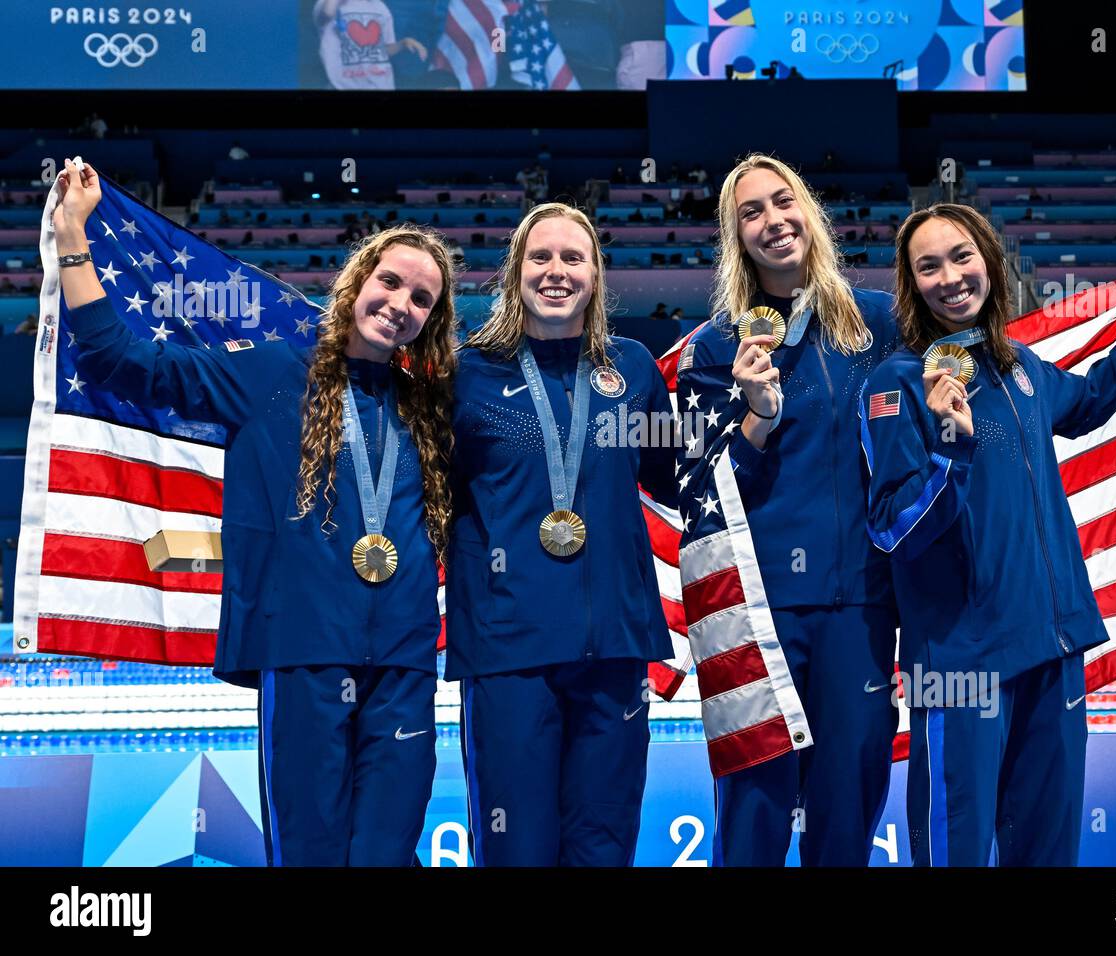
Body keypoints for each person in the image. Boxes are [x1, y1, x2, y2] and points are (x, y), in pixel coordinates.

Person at [51, 159, 457, 866]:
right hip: (302, 653)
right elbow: (122, 362)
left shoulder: (432, 407)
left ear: (432, 320)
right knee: (310, 854)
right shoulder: (270, 372)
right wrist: (71, 238)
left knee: (387, 852)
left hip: (404, 661)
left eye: (422, 298)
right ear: (357, 281)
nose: (401, 304)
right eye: (390, 281)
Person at [860, 202, 1116, 866]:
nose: (950, 277)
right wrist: (951, 451)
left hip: (1052, 647)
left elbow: (1091, 399)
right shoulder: (897, 384)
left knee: (1047, 851)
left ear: (989, 261)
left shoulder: (1018, 364)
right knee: (955, 853)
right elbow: (894, 528)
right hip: (962, 668)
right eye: (928, 266)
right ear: (911, 284)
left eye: (962, 256)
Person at [676, 153, 899, 866]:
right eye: (751, 212)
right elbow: (699, 493)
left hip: (860, 609)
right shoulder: (713, 348)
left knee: (846, 816)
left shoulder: (878, 324)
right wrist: (757, 418)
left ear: (809, 212)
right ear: (735, 236)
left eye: (782, 202)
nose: (772, 221)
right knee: (753, 823)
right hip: (756, 616)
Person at [446, 202, 678, 866]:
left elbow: (674, 479)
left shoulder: (632, 370)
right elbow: (429, 492)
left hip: (614, 647)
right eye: (540, 256)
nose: (556, 271)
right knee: (515, 848)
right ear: (514, 271)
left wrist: (755, 418)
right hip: (506, 651)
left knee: (603, 846)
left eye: (573, 258)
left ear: (595, 274)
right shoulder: (468, 372)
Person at [313, 0, 427, 91]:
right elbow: (327, 13)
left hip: (382, 84)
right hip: (344, 85)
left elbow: (382, 50)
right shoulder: (326, 4)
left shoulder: (380, 7)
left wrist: (403, 43)